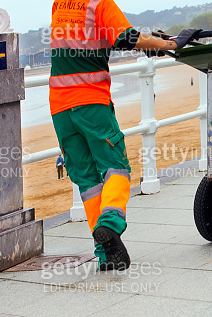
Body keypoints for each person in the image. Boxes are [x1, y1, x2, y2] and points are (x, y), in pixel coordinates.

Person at [50, 0, 201, 271]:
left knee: (88, 181)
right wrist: (170, 45)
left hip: (59, 108)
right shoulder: (99, 3)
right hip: (91, 103)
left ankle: (106, 253)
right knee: (116, 169)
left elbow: (91, 43)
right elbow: (124, 37)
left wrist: (150, 45)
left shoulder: (59, 4)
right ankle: (110, 224)